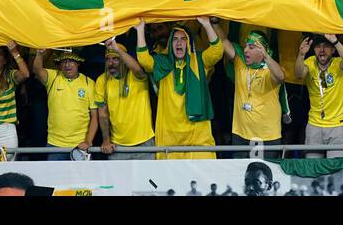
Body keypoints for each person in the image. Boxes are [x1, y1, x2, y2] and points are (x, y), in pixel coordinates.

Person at [136, 17, 223, 159]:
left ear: (189, 43)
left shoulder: (199, 60)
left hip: (198, 137)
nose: (179, 42)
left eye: (183, 39)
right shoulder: (162, 63)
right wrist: (140, 30)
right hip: (170, 138)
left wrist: (207, 25)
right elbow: (144, 60)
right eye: (175, 39)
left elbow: (217, 51)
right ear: (170, 43)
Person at [222, 29, 286, 152]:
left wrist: (266, 56)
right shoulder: (240, 63)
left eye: (251, 47)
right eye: (246, 46)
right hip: (240, 136)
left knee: (267, 171)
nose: (245, 50)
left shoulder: (271, 69)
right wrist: (212, 23)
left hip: (268, 138)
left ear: (262, 51)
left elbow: (281, 77)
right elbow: (224, 41)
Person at [294, 33, 343, 157]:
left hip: (338, 125)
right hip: (314, 125)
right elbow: (299, 74)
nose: (322, 50)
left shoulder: (339, 63)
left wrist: (335, 41)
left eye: (326, 46)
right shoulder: (310, 62)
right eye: (318, 47)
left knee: (336, 169)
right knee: (312, 169)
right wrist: (301, 55)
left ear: (333, 50)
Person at [32, 47, 98, 160]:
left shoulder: (89, 83)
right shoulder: (54, 77)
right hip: (55, 144)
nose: (67, 65)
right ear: (59, 64)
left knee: (82, 178)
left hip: (80, 145)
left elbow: (95, 117)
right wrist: (39, 54)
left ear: (78, 63)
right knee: (54, 178)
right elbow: (37, 70)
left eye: (71, 61)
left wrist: (88, 141)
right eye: (64, 61)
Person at [94, 38, 154, 158]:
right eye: (108, 59)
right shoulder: (102, 80)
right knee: (118, 178)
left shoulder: (135, 75)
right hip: (117, 145)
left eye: (115, 59)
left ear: (124, 60)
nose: (111, 63)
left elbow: (138, 69)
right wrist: (106, 140)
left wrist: (117, 49)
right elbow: (103, 114)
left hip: (144, 142)